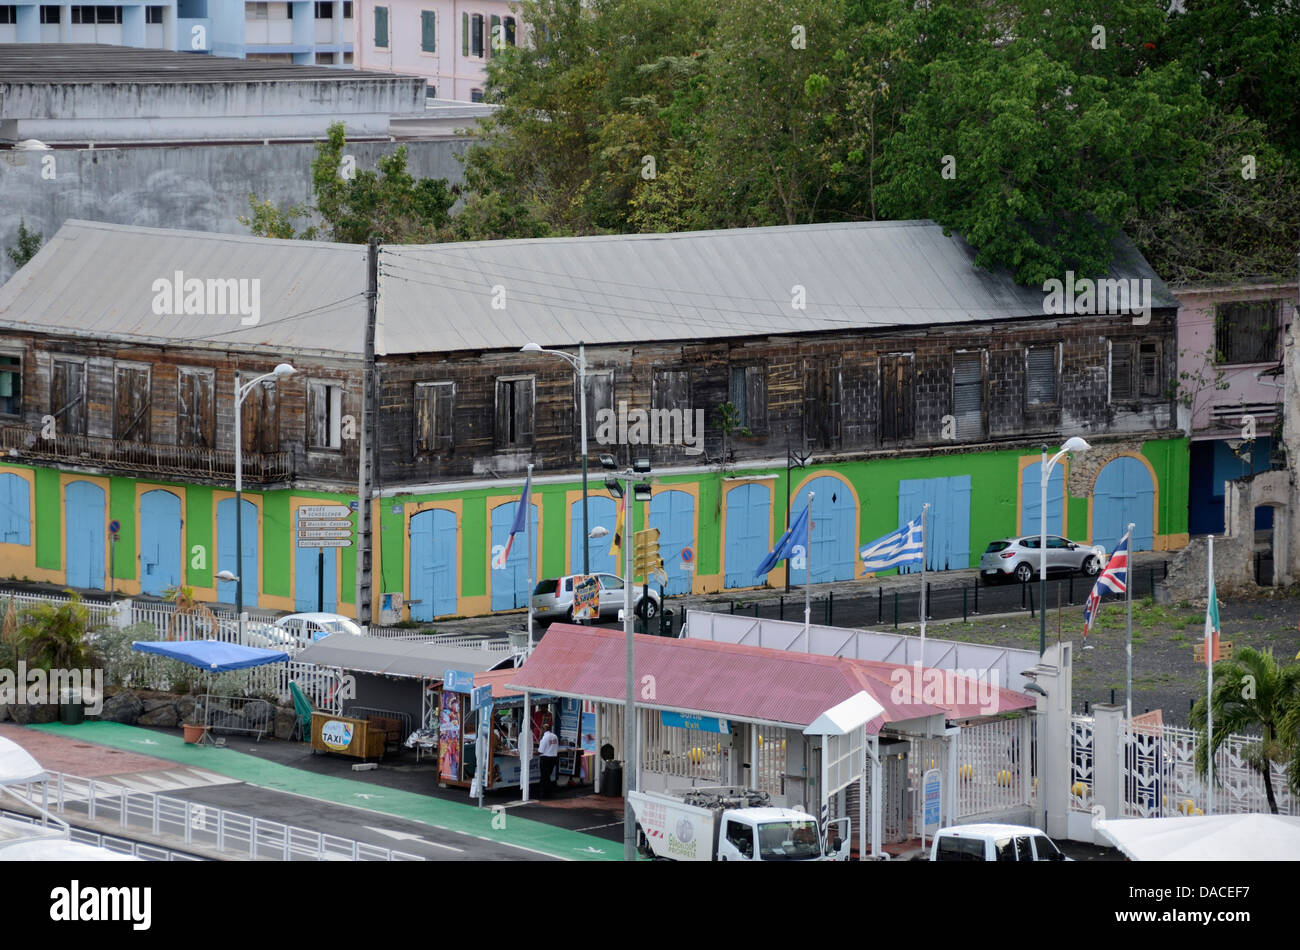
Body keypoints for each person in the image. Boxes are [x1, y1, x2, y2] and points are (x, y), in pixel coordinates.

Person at [538, 721, 559, 799]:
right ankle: (548, 792)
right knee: (548, 775)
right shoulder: (555, 736)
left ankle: (544, 792)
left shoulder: (545, 738)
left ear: (543, 730)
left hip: (545, 758)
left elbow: (541, 751)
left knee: (544, 776)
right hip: (553, 758)